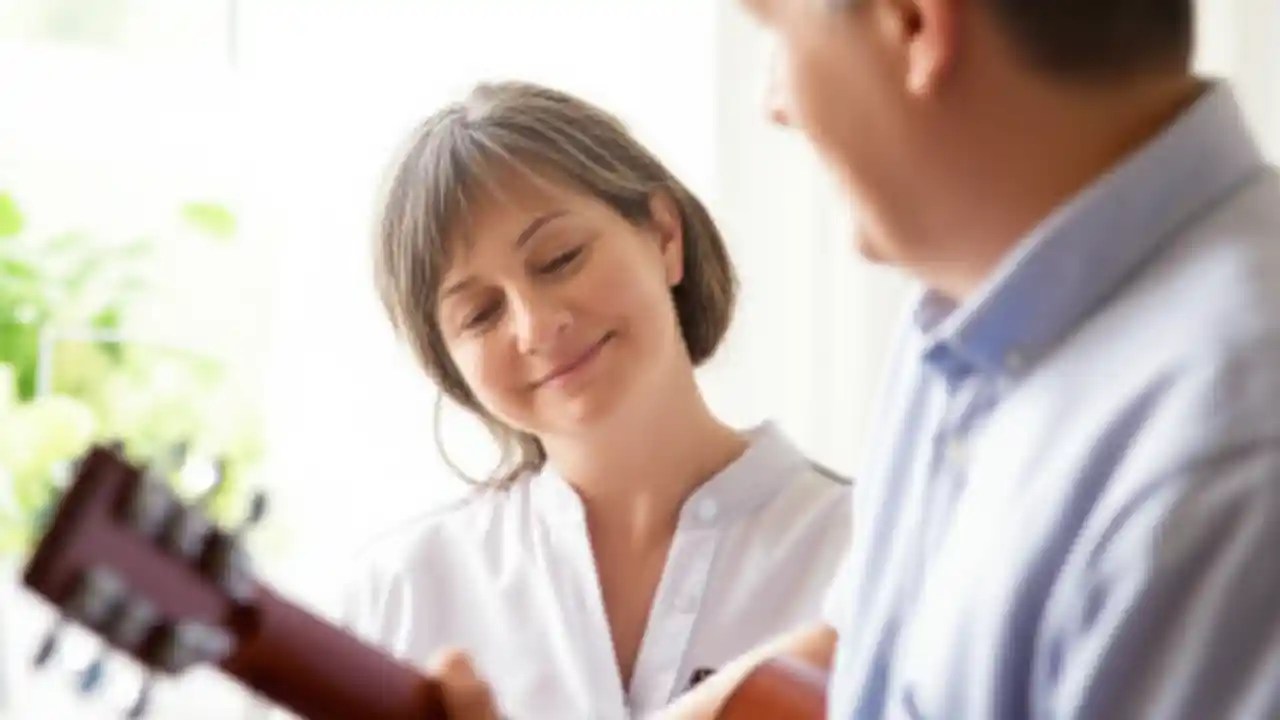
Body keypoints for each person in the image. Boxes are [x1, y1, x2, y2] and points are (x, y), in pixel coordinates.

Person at [656, 0, 1280, 718]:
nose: (774, 105)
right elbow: (868, 659)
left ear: (916, 24)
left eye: (778, 34)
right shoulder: (959, 320)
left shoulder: (1230, 459)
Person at [343, 81, 851, 720]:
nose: (535, 325)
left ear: (664, 236)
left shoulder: (867, 554)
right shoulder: (401, 594)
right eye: (480, 313)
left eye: (559, 259)